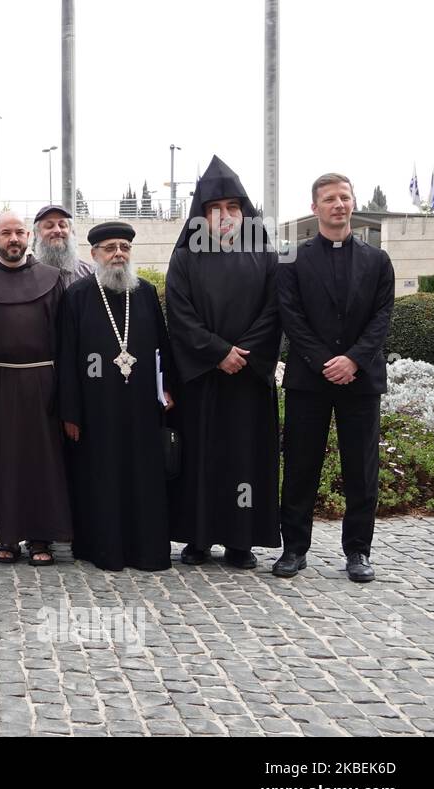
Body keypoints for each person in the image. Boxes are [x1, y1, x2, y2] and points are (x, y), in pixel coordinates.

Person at [276, 173, 394, 583]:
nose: (338, 204)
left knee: (361, 469)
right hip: (309, 378)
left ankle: (358, 551)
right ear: (315, 208)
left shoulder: (377, 260)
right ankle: (293, 549)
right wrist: (328, 360)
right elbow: (291, 317)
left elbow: (382, 318)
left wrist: (353, 361)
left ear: (353, 203)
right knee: (300, 466)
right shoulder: (293, 259)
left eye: (345, 197)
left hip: (360, 381)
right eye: (330, 199)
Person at [166, 157, 282, 570]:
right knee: (201, 458)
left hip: (248, 379)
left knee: (244, 459)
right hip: (202, 378)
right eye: (215, 208)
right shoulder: (184, 259)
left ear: (243, 212)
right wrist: (218, 352)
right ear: (202, 215)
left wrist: (242, 354)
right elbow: (179, 315)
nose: (225, 215)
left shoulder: (265, 255)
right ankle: (198, 539)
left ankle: (241, 539)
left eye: (232, 207)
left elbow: (274, 310)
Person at [57, 221, 175, 571]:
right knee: (102, 476)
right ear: (94, 254)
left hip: (140, 403)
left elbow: (162, 346)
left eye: (124, 247)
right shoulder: (76, 296)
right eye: (110, 248)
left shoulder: (146, 293)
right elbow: (66, 358)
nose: (118, 253)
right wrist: (70, 412)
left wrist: (167, 386)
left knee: (143, 476)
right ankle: (104, 548)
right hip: (96, 409)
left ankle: (147, 549)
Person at [0, 211, 73, 566]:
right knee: (3, 460)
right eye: (6, 233)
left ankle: (41, 538)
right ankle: (7, 537)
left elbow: (65, 340)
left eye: (19, 232)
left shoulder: (52, 278)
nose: (13, 239)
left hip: (43, 382)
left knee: (42, 462)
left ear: (29, 236)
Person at [33, 204, 93, 286]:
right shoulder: (28, 275)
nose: (57, 230)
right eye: (49, 226)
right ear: (37, 234)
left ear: (71, 231)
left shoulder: (89, 274)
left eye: (62, 225)